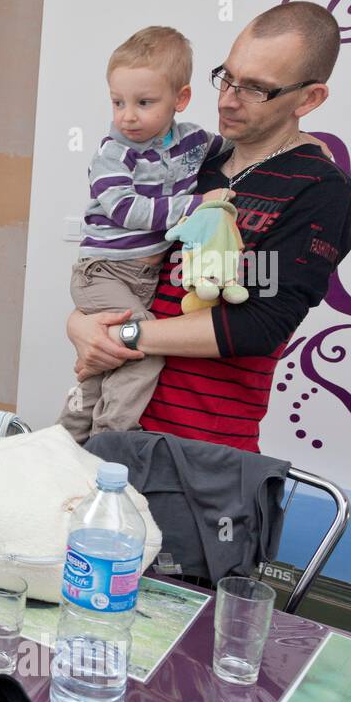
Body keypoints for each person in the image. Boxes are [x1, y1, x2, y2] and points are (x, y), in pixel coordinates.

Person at [66, 2, 351, 452]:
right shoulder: (191, 162)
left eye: (256, 89)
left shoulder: (318, 187)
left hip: (201, 454)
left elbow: (259, 324)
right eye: (228, 77)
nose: (227, 99)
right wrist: (79, 324)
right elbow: (126, 268)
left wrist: (121, 335)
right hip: (105, 433)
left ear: (309, 98)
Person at [57, 26, 231, 443]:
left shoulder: (193, 142)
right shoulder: (114, 153)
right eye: (117, 102)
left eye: (143, 102)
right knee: (141, 352)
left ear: (181, 99)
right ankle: (112, 439)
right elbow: (126, 209)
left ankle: (67, 441)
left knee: (102, 364)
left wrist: (306, 142)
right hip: (104, 272)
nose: (127, 116)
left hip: (142, 277)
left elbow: (239, 150)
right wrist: (198, 204)